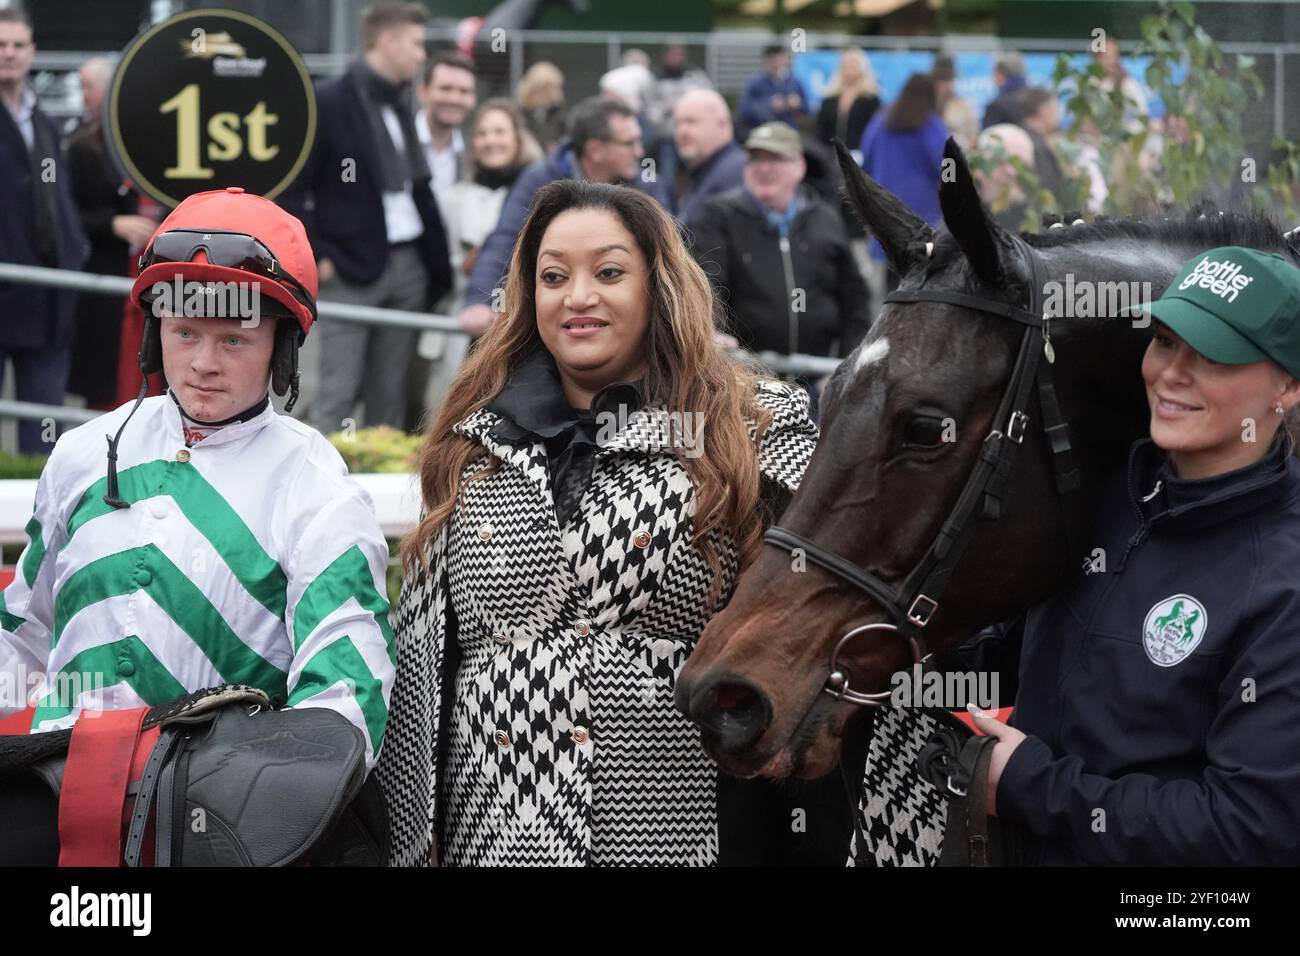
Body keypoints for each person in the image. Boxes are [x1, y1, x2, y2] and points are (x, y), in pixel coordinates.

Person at [377, 177, 854, 866]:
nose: (577, 297)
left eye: (608, 272)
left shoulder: (751, 428)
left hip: (686, 831)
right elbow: (425, 673)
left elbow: (836, 604)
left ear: (657, 286)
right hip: (493, 832)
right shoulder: (469, 443)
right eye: (552, 276)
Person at [0, 188, 395, 864]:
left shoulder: (318, 485)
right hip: (60, 801)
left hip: (216, 821)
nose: (204, 364)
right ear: (157, 333)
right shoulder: (82, 453)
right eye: (186, 333)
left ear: (282, 348)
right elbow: (22, 638)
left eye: (234, 340)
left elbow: (345, 691)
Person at [973, 247, 1300, 865]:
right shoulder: (1102, 494)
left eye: (1213, 354)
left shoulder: (1283, 581)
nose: (1172, 373)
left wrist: (1031, 786)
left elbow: (1251, 831)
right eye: (1165, 341)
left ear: (1287, 385)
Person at [279, 1, 452, 434]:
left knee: (389, 399)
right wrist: (318, 257)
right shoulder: (329, 100)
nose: (421, 55)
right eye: (415, 44)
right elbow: (292, 189)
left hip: (409, 265)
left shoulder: (399, 102)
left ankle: (381, 495)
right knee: (335, 394)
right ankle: (320, 492)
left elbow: (416, 187)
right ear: (388, 40)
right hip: (349, 270)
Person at [459, 97, 667, 338]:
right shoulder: (540, 179)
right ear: (595, 150)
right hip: (559, 325)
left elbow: (671, 252)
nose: (640, 151)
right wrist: (479, 300)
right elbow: (505, 240)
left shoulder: (648, 185)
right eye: (629, 143)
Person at [690, 122, 869, 396]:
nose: (764, 168)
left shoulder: (825, 218)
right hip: (746, 381)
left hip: (817, 383)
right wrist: (711, 330)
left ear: (799, 167)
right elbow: (704, 284)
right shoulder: (719, 216)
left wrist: (843, 368)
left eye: (775, 158)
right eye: (756, 159)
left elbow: (855, 300)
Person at [0, 7, 87, 453]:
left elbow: (60, 201)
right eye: (1, 46)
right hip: (8, 287)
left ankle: (40, 518)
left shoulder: (45, 123)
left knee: (44, 435)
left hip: (48, 298)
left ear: (32, 52)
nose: (9, 54)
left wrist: (76, 251)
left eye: (17, 45)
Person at [421, 99, 542, 415]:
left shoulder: (539, 192)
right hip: (466, 320)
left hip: (521, 320)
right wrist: (464, 264)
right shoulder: (455, 198)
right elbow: (443, 259)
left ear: (517, 138)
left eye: (500, 131)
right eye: (483, 133)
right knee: (452, 407)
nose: (491, 140)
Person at [65, 56, 153, 411]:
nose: (84, 95)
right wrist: (111, 223)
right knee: (107, 378)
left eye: (88, 86)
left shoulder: (155, 136)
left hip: (153, 268)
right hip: (107, 274)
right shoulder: (82, 146)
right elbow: (67, 215)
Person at [859, 73, 947, 291]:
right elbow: (946, 166)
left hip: (885, 211)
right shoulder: (931, 125)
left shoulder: (880, 122)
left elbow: (865, 159)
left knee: (892, 282)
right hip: (924, 215)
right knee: (923, 282)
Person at [671, 88, 746, 227]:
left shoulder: (734, 172)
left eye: (691, 122)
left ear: (722, 125)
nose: (682, 131)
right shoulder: (706, 171)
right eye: (677, 124)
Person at [416, 50, 477, 214]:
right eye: (445, 88)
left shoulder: (472, 156)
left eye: (464, 91)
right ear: (423, 92)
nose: (454, 99)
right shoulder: (398, 143)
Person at [814, 48, 880, 153]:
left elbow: (874, 130)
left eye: (853, 63)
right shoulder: (830, 97)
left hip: (860, 154)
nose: (849, 67)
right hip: (831, 155)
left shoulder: (870, 98)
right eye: (845, 63)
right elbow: (821, 128)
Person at [738, 44, 808, 137]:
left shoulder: (795, 82)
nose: (777, 62)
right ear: (766, 61)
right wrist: (769, 106)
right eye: (773, 59)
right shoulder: (755, 84)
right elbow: (745, 111)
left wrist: (798, 104)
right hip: (764, 132)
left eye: (780, 58)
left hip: (790, 131)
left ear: (786, 58)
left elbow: (807, 108)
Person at [1016, 87, 1065, 203]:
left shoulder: (1019, 136)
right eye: (1056, 109)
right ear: (1043, 110)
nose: (1059, 115)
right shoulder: (1036, 145)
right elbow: (1049, 185)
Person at [516, 61, 566, 154]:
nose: (552, 93)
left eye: (556, 87)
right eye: (545, 88)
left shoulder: (560, 117)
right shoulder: (519, 115)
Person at [932, 53, 977, 152]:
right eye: (941, 79)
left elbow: (973, 138)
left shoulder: (964, 106)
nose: (946, 84)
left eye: (949, 79)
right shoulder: (926, 106)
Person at [981, 50, 1028, 129]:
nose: (994, 79)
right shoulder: (1035, 100)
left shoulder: (996, 106)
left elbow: (988, 137)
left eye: (995, 74)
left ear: (1001, 74)